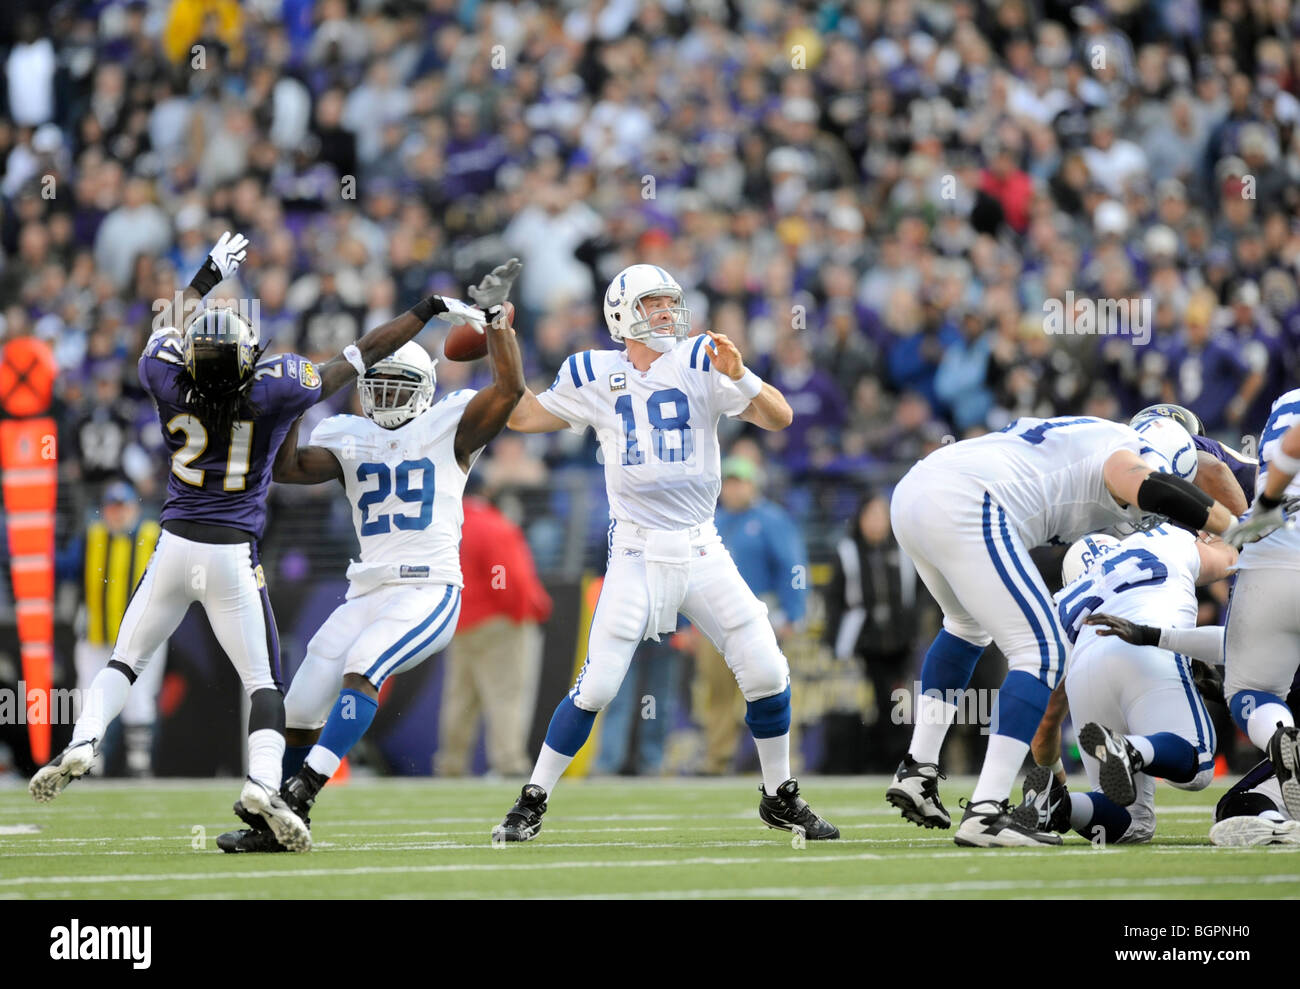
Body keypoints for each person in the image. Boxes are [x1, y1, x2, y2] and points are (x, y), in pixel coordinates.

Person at [30, 230, 494, 854]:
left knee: (124, 658)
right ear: (249, 361)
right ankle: (262, 784)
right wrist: (426, 310)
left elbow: (160, 325)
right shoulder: (277, 386)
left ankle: (85, 738)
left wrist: (205, 276)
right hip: (230, 551)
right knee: (264, 684)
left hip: (171, 543)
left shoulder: (163, 378)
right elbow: (361, 353)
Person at [490, 263, 838, 842]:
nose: (667, 314)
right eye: (654, 304)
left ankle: (779, 794)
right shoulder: (592, 371)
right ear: (623, 312)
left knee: (768, 669)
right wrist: (501, 339)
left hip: (703, 546)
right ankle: (532, 800)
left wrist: (743, 374)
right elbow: (522, 413)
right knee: (597, 686)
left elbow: (780, 417)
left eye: (669, 302)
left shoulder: (701, 360)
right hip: (635, 551)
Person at [214, 260, 524, 852]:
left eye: (397, 388)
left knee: (363, 665)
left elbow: (509, 389)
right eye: (375, 386)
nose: (382, 397)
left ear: (426, 391)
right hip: (367, 590)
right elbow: (285, 468)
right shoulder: (348, 434)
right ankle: (277, 826)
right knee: (300, 698)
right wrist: (297, 400)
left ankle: (300, 794)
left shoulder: (450, 425)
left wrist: (496, 324)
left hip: (428, 588)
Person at [887, 414, 1241, 847]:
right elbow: (1146, 483)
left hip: (917, 489)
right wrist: (1235, 526)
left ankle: (918, 769)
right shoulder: (1131, 451)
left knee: (965, 626)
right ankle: (987, 811)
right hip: (969, 499)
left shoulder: (1090, 436)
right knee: (1043, 652)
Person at [1010, 526, 1237, 844]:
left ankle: (1060, 804)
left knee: (1134, 825)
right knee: (1198, 765)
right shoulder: (1159, 540)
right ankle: (1130, 749)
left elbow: (1045, 726)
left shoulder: (1061, 604)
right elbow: (1229, 555)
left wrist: (1055, 778)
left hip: (1085, 676)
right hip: (1145, 645)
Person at [694, 455, 807, 776]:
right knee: (716, 693)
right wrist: (689, 623)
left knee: (772, 687)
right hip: (713, 620)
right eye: (728, 482)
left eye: (738, 482)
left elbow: (793, 567)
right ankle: (716, 759)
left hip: (762, 620)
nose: (732, 489)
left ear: (753, 485)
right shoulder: (710, 521)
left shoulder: (772, 519)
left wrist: (793, 613)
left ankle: (786, 761)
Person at [1217, 387, 1300, 823]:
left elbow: (1292, 442)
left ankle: (1281, 737)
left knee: (1254, 693)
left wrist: (1266, 506)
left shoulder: (1287, 401)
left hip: (1272, 556)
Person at [436, 477, 551, 779]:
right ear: (486, 491)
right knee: (507, 694)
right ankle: (509, 762)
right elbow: (508, 579)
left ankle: (451, 763)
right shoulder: (494, 525)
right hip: (500, 622)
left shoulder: (445, 524)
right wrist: (528, 610)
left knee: (460, 698)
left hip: (458, 622)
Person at [66, 482, 165, 777]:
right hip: (95, 634)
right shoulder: (92, 536)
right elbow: (66, 568)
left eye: (122, 507)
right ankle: (90, 761)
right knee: (88, 695)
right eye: (111, 507)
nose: (117, 514)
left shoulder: (153, 537)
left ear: (134, 508)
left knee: (139, 696)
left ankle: (139, 763)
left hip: (141, 635)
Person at [824, 491, 925, 773]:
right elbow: (834, 600)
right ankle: (867, 760)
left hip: (900, 643)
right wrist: (834, 641)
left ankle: (897, 758)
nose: (877, 522)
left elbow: (918, 595)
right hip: (861, 643)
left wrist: (913, 630)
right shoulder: (847, 551)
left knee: (897, 705)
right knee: (868, 704)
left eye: (882, 516)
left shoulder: (905, 551)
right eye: (872, 515)